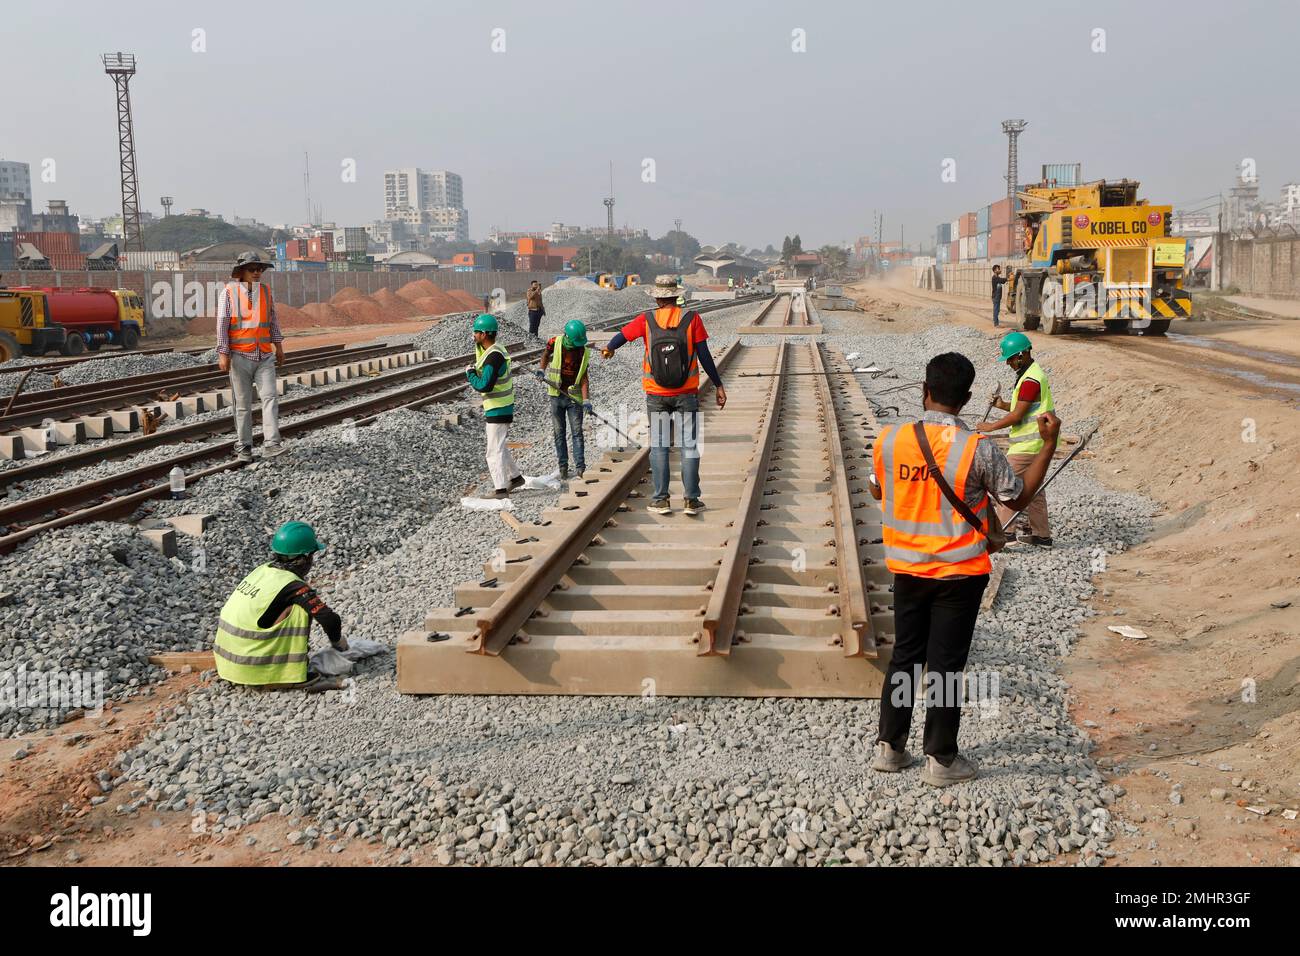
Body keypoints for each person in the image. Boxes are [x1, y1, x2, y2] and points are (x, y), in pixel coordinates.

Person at [868, 351, 1060, 786]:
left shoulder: (889, 440)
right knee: (946, 666)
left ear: (924, 391)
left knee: (906, 657)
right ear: (967, 397)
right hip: (959, 573)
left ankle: (890, 747)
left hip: (908, 569)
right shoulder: (977, 449)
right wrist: (1048, 445)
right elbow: (1016, 499)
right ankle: (940, 758)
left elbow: (877, 487)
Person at [600, 274, 727, 516]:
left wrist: (609, 349)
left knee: (659, 447)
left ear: (657, 297)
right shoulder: (692, 319)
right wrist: (718, 385)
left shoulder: (646, 320)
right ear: (676, 296)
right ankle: (691, 500)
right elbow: (705, 355)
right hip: (686, 394)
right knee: (689, 445)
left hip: (656, 394)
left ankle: (660, 500)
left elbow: (620, 337)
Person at [214, 521, 349, 691]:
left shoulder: (262, 571)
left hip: (227, 663)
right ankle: (287, 676)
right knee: (300, 608)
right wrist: (339, 644)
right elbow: (329, 619)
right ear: (305, 558)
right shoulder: (293, 586)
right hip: (253, 669)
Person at [977, 331, 1055, 546]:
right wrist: (1001, 405)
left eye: (1010, 358)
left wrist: (990, 426)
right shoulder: (1030, 374)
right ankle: (1042, 536)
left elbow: (1018, 415)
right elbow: (1022, 407)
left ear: (1021, 355)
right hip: (1037, 444)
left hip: (1028, 446)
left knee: (1006, 486)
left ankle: (1006, 534)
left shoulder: (1030, 380)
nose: (1008, 363)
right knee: (1035, 491)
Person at [217, 251, 286, 463]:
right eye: (252, 269)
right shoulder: (229, 292)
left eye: (260, 269)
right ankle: (244, 447)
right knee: (243, 405)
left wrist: (279, 347)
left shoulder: (265, 292)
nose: (257, 273)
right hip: (239, 356)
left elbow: (272, 321)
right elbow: (223, 324)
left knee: (270, 398)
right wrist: (223, 353)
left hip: (264, 355)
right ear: (241, 272)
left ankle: (272, 444)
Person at [465, 313, 524, 498]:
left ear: (483, 334)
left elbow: (485, 385)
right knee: (500, 446)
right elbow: (481, 353)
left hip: (498, 408)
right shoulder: (494, 350)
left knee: (493, 452)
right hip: (502, 406)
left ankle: (500, 490)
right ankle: (515, 478)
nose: (473, 335)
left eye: (476, 332)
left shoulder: (493, 357)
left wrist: (470, 374)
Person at [540, 318, 592, 480]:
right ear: (567, 337)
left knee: (577, 433)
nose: (577, 345)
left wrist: (586, 400)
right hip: (556, 395)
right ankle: (563, 467)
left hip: (573, 398)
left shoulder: (583, 351)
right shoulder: (555, 342)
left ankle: (580, 468)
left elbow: (584, 377)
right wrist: (541, 369)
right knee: (559, 433)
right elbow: (546, 354)